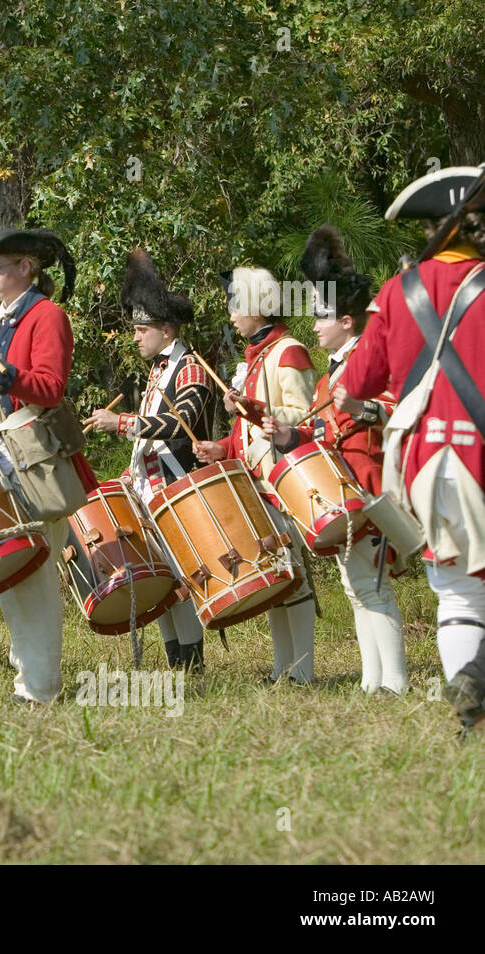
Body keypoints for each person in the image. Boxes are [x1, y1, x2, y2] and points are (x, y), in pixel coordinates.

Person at [342, 164, 485, 729]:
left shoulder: (397, 293)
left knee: (454, 590)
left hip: (425, 463)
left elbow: (354, 383)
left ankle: (470, 713)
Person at [262, 226, 407, 694]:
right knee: (356, 589)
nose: (316, 325)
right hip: (340, 488)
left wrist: (360, 407)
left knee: (373, 588)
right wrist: (289, 433)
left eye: (323, 317)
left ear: (347, 320)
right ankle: (373, 681)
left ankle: (397, 683)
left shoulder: (370, 356)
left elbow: (397, 409)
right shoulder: (330, 375)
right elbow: (322, 430)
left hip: (370, 484)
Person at [0, 227, 97, 703]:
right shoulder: (0, 323)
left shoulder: (47, 315)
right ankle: (28, 677)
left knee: (34, 577)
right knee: (10, 579)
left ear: (26, 268)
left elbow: (50, 388)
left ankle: (40, 687)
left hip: (36, 461)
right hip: (2, 458)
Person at [86, 248, 213, 669]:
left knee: (180, 581)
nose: (136, 336)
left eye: (143, 329)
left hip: (179, 489)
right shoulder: (158, 371)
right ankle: (177, 659)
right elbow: (150, 439)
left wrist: (119, 422)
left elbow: (179, 425)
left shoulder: (190, 367)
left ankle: (191, 663)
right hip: (149, 489)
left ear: (166, 328)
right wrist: (129, 473)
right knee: (161, 582)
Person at [193, 265, 318, 683]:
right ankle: (285, 669)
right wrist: (221, 449)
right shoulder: (258, 355)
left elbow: (307, 419)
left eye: (235, 305)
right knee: (277, 578)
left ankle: (302, 673)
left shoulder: (289, 351)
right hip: (256, 484)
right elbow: (246, 436)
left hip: (284, 482)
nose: (230, 315)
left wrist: (254, 409)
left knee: (291, 577)